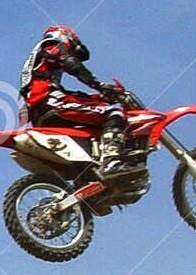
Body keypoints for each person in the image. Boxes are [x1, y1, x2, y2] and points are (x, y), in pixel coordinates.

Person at [19, 25, 131, 176]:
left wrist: (98, 98)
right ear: (65, 36)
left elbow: (69, 95)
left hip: (38, 114)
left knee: (92, 126)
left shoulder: (39, 69)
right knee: (114, 114)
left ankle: (88, 180)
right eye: (72, 47)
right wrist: (98, 85)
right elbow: (70, 63)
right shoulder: (50, 45)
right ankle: (111, 161)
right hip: (50, 104)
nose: (71, 51)